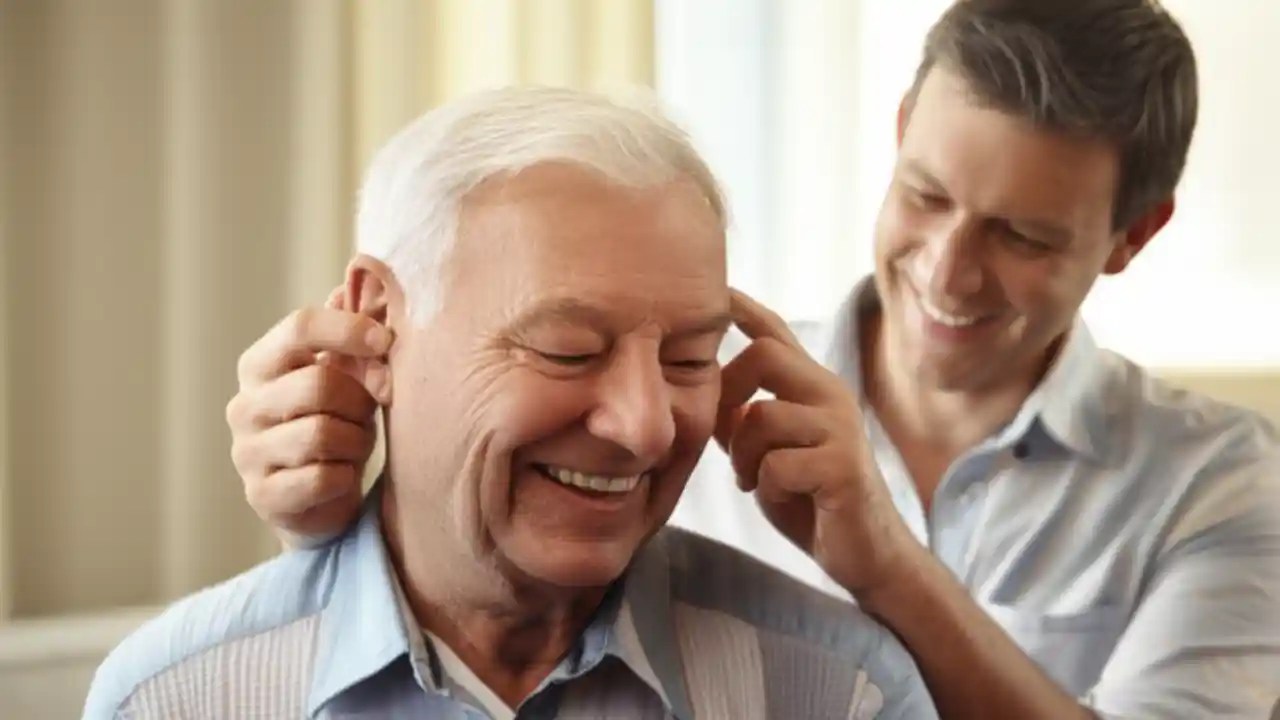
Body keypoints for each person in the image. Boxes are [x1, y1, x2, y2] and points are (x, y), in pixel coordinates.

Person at [227, 1, 1280, 718]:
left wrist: (886, 568)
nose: (948, 272)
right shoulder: (674, 392)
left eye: (1023, 238)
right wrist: (334, 516)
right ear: (903, 127)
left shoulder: (1224, 485)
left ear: (1133, 235)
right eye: (923, 196)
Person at [84, 87, 936, 719]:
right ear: (380, 323)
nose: (644, 426)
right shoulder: (173, 701)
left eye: (689, 357)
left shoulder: (839, 693)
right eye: (567, 349)